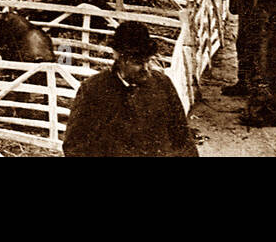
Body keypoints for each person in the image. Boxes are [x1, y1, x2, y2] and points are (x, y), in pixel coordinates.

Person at [63, 21, 198, 157]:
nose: (146, 68)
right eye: (138, 63)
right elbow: (74, 146)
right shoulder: (93, 90)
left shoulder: (162, 84)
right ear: (119, 58)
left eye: (148, 61)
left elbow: (183, 139)